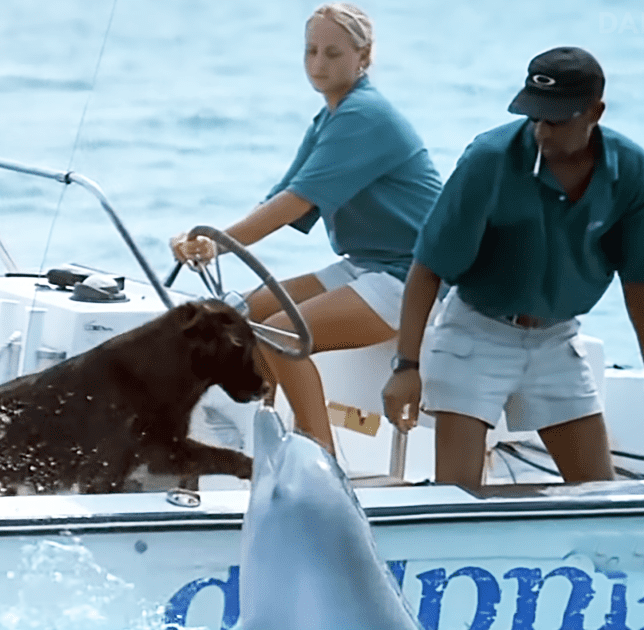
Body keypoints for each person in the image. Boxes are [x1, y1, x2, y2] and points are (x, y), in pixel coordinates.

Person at [381, 46, 644, 489]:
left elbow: (641, 280)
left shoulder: (633, 174)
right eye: (534, 115)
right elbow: (428, 267)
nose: (542, 130)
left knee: (599, 496)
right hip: (476, 334)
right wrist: (406, 367)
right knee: (458, 499)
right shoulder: (488, 160)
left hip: (557, 340)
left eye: (557, 119)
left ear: (595, 112)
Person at [172, 2, 443, 456]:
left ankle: (322, 463)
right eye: (311, 51)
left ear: (364, 56)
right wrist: (204, 239)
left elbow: (294, 205)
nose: (318, 64)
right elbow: (281, 195)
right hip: (365, 266)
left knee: (279, 335)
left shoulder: (365, 116)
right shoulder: (331, 118)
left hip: (415, 276)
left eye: (333, 54)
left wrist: (217, 244)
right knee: (238, 317)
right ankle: (267, 449)